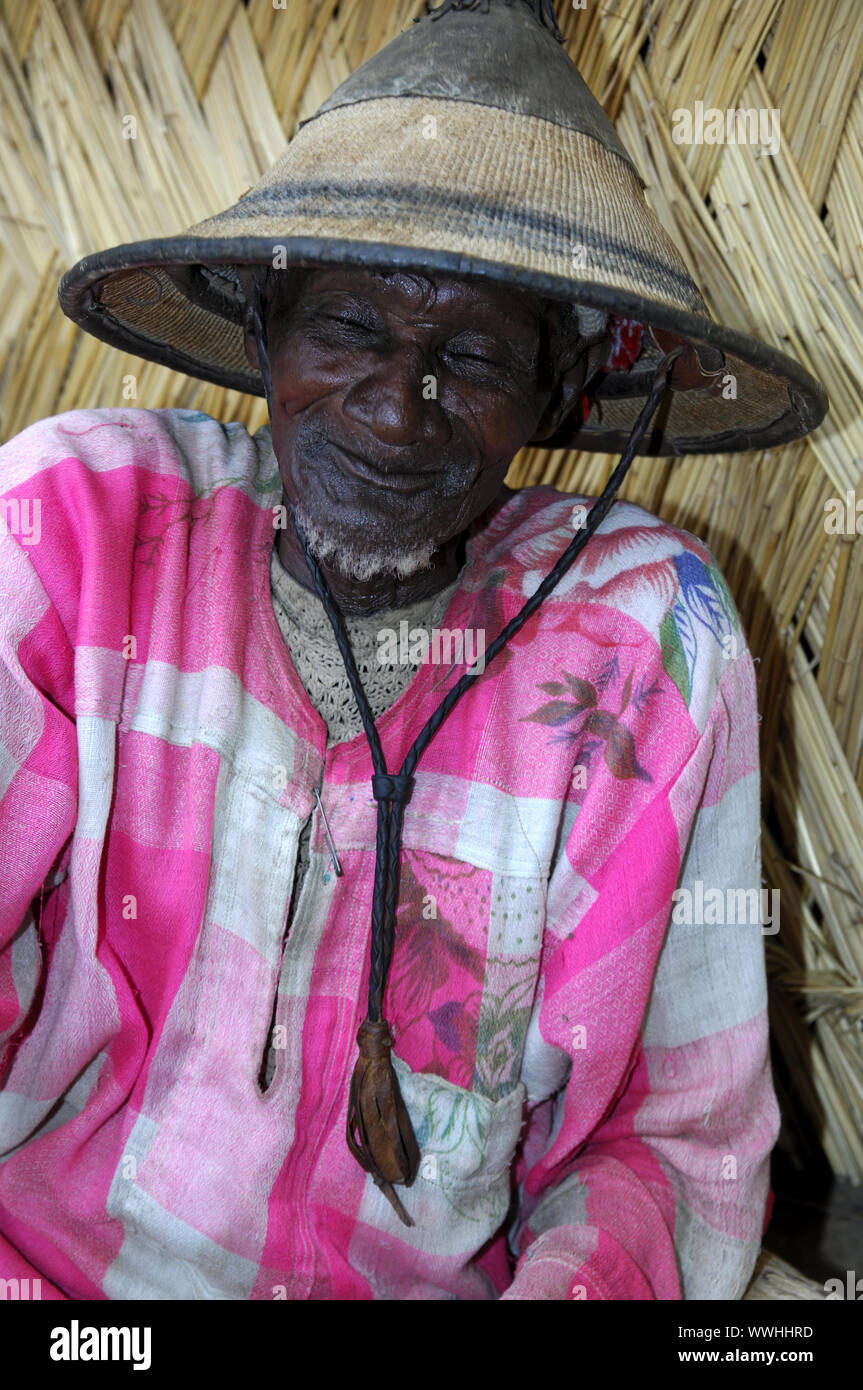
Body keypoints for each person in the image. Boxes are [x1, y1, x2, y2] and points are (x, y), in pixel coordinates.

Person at [0, 0, 826, 1300]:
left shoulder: (646, 641)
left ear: (560, 391)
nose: (397, 406)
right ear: (264, 326)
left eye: (476, 354)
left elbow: (668, 1146)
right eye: (346, 328)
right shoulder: (79, 530)